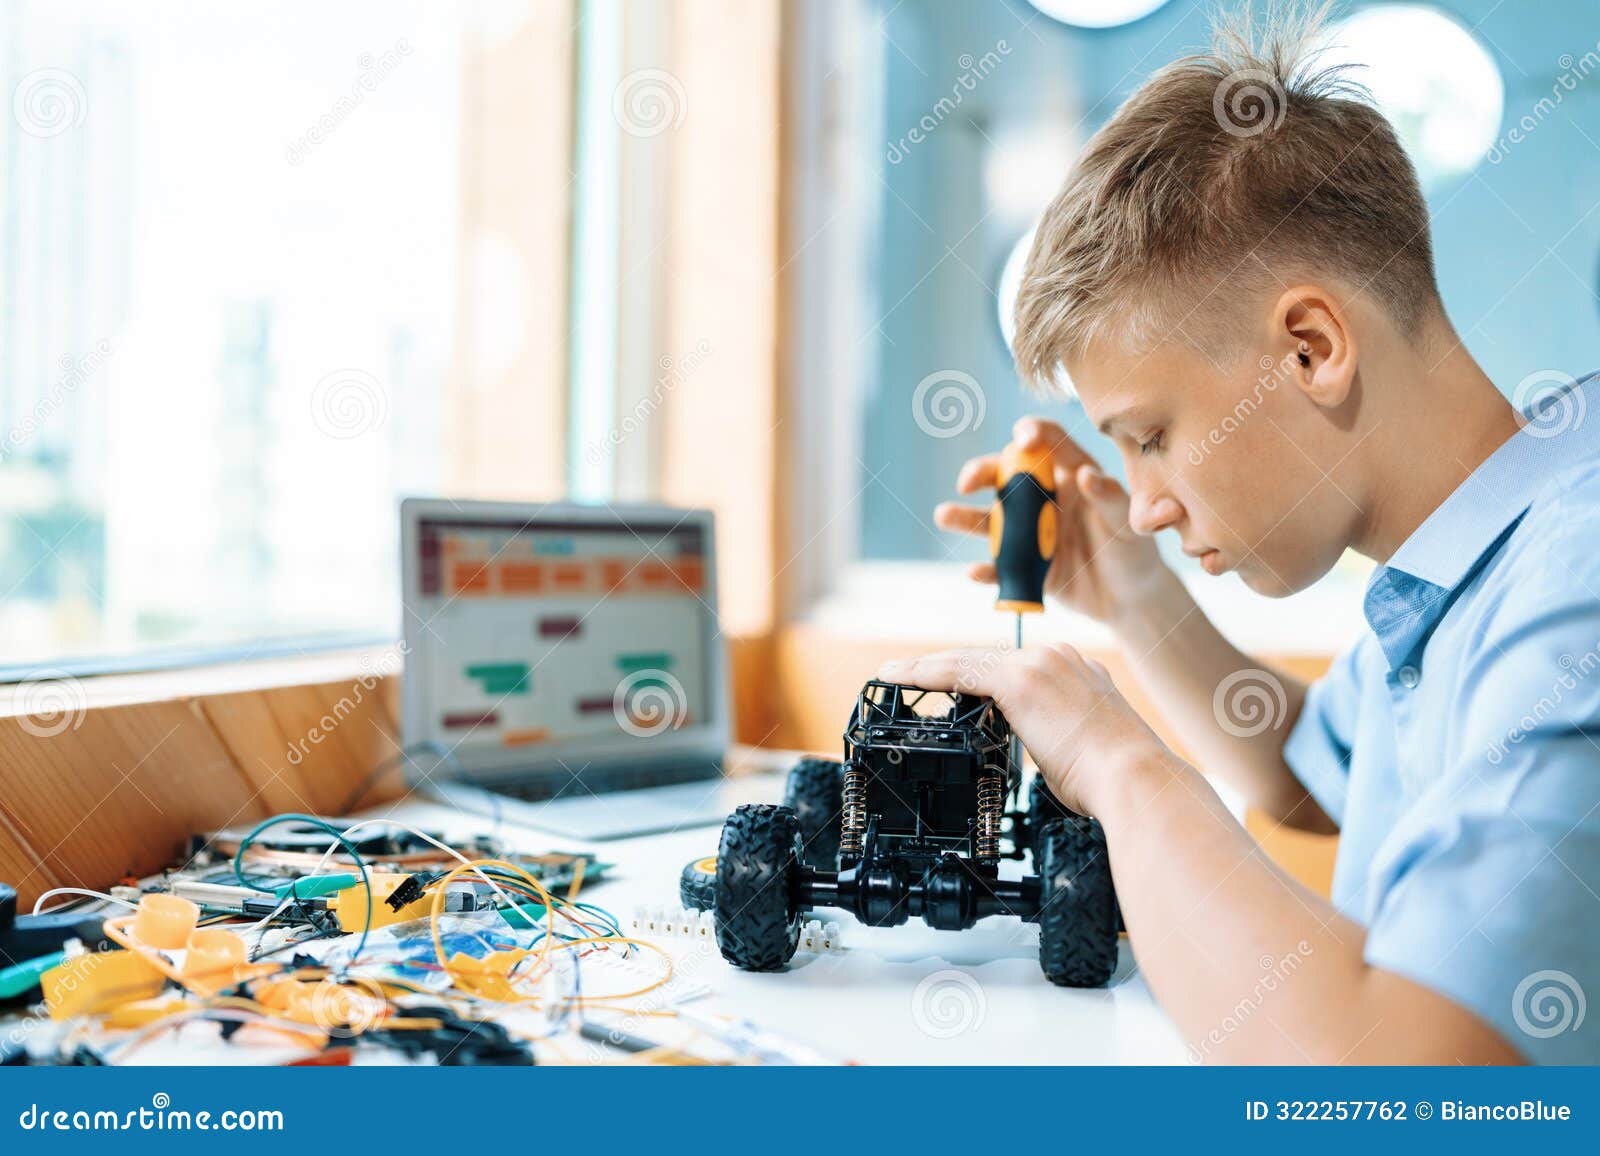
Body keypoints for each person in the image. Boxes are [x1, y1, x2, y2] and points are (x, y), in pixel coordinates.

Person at [879, 4, 1599, 1063]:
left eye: (1152, 434)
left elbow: (1409, 1087)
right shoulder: (1470, 561)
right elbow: (1304, 777)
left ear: (1308, 348)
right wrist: (1130, 594)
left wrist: (1109, 756)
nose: (1146, 502)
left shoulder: (1573, 577)